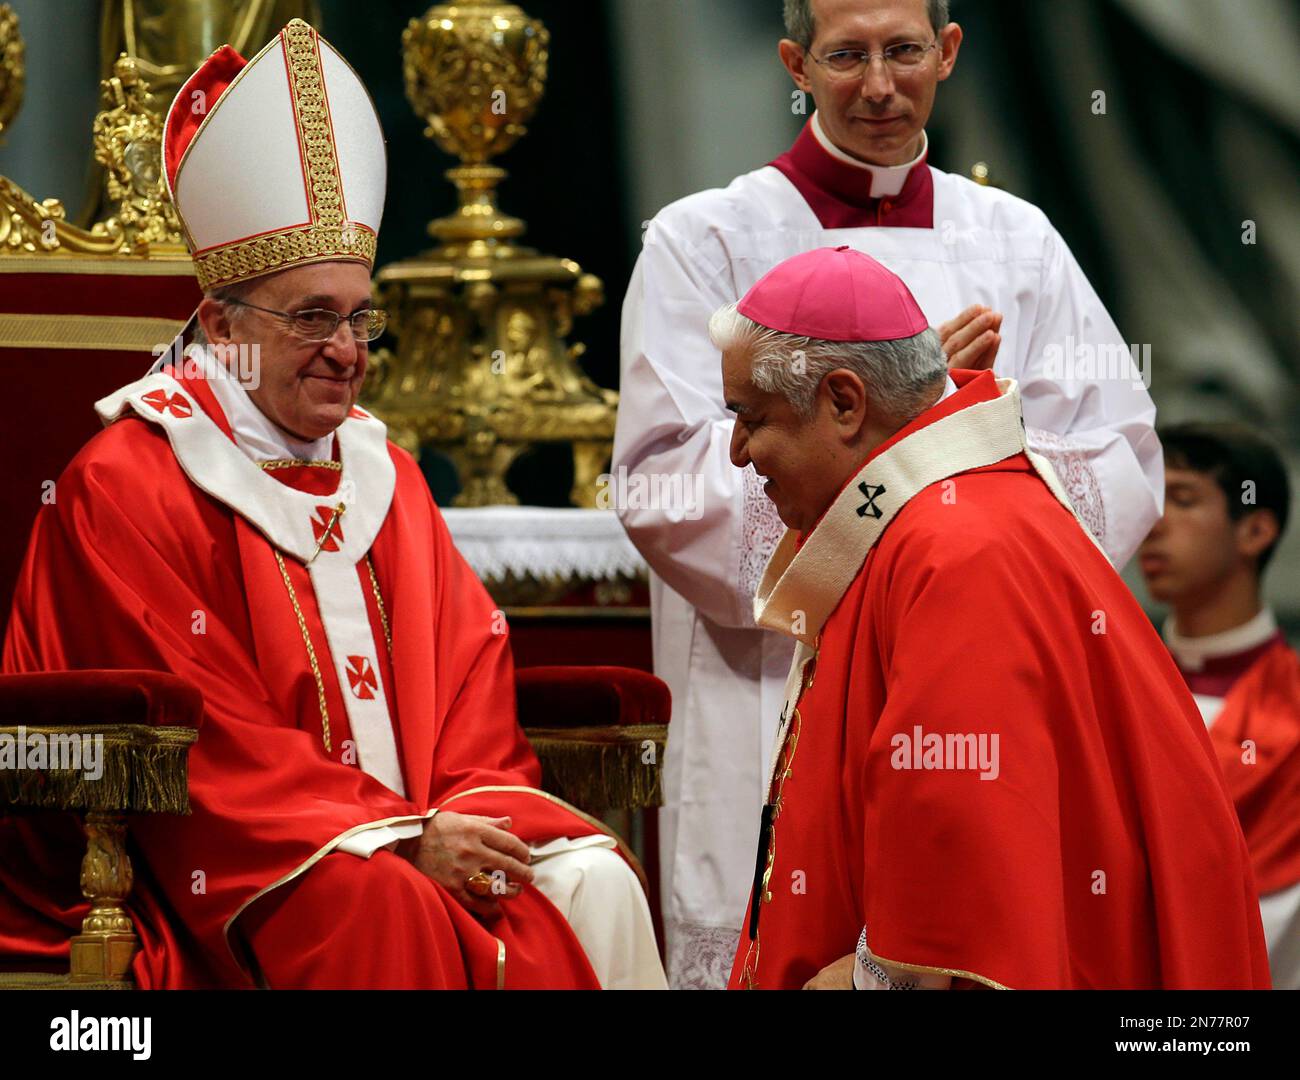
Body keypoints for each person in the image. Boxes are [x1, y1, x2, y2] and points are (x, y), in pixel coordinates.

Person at [0, 19, 665, 991]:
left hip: (404, 825)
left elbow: (466, 679)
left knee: (595, 883)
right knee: (377, 898)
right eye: (312, 318)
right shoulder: (130, 478)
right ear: (222, 325)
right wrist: (394, 836)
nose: (347, 349)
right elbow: (205, 744)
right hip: (220, 866)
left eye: (360, 317)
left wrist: (458, 816)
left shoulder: (378, 474)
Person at [613, 0, 1163, 987]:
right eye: (846, 55)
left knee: (964, 914)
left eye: (903, 51)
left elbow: (1121, 452)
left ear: (948, 52)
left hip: (973, 662)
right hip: (775, 681)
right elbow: (659, 479)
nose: (878, 85)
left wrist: (954, 440)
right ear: (794, 60)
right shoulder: (704, 240)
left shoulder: (1018, 239)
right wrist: (904, 440)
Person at [714, 245, 1265, 989]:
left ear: (845, 403)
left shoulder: (955, 546)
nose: (740, 453)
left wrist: (871, 979)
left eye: (751, 417)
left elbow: (971, 832)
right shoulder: (922, 517)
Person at [1138, 422, 1300, 989]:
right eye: (1149, 496)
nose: (1153, 521)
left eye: (1182, 499)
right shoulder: (1107, 686)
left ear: (1255, 528)